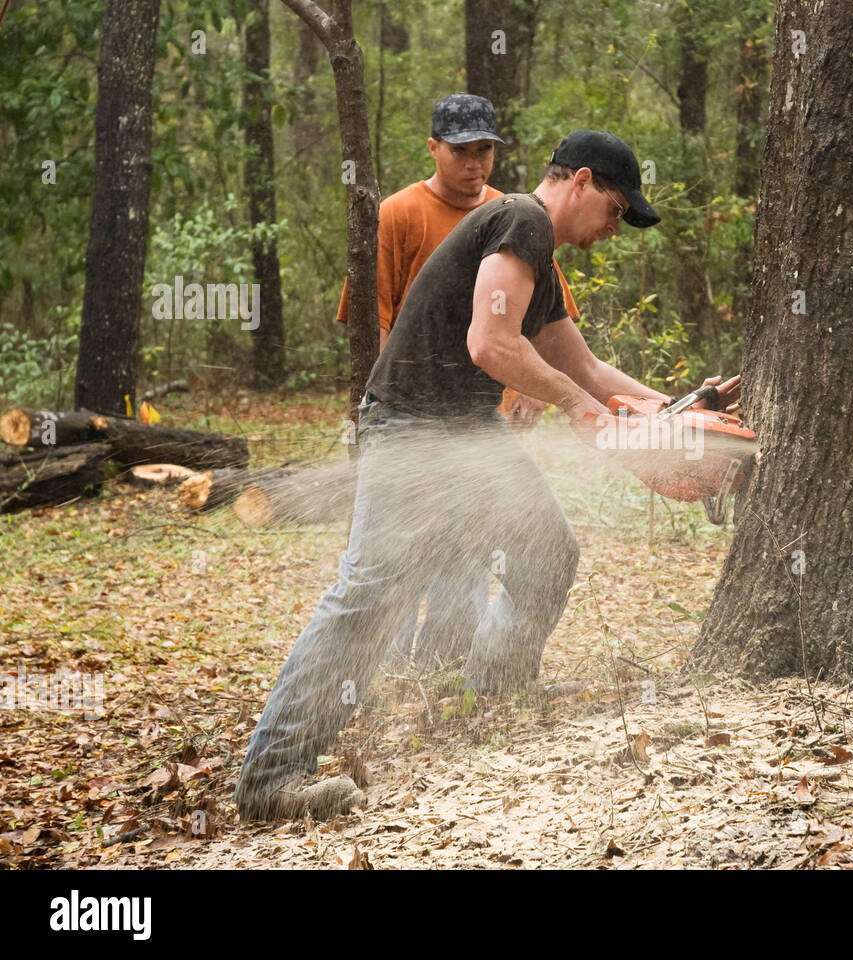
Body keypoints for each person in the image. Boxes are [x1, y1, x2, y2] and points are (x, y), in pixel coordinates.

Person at [235, 129, 739, 821]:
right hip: (413, 426)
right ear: (583, 181)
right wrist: (575, 406)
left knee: (547, 553)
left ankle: (494, 698)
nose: (613, 231)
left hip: (469, 430)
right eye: (617, 212)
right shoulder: (521, 219)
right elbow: (489, 343)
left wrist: (681, 408)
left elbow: (585, 369)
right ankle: (270, 781)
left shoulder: (535, 254)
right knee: (370, 598)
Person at [334, 92, 579, 673]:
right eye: (462, 151)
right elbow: (377, 319)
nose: (475, 164)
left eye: (484, 151)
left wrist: (527, 392)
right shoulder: (397, 213)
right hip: (408, 408)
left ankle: (447, 675)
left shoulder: (515, 215)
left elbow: (540, 322)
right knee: (390, 560)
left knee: (467, 545)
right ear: (434, 149)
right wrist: (372, 407)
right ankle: (388, 676)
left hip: (474, 416)